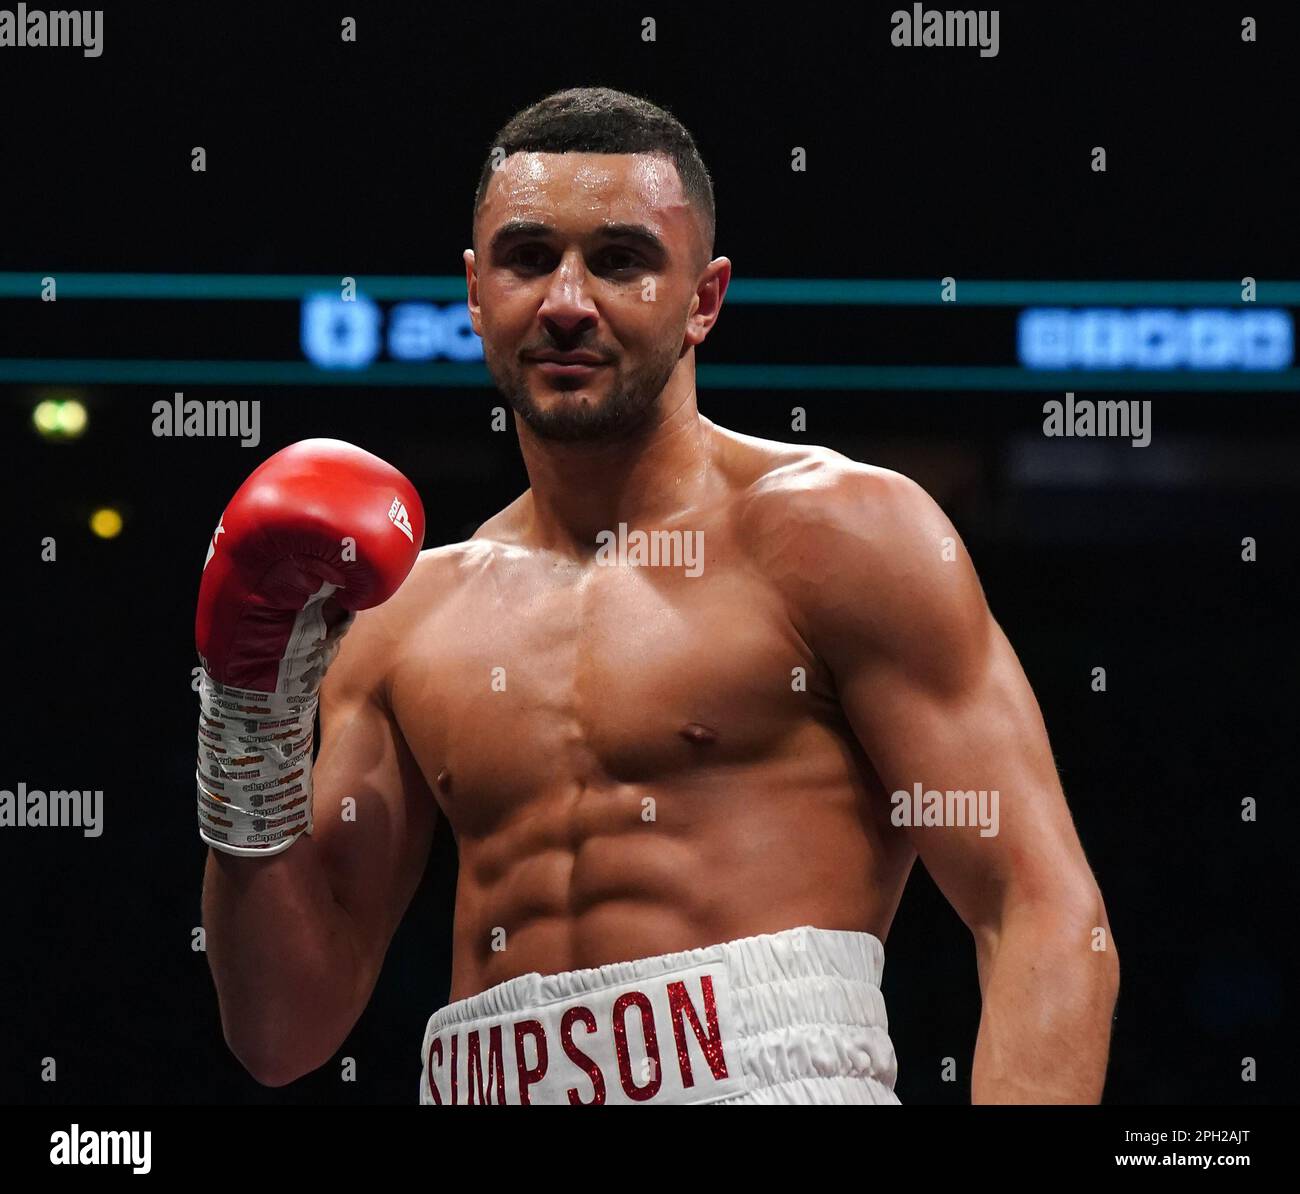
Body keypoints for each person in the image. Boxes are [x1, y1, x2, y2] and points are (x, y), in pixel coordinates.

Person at [199, 87, 1119, 1105]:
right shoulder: (407, 615)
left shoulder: (836, 534)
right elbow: (280, 1029)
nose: (564, 301)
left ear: (704, 297)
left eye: (621, 260)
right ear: (473, 290)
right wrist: (248, 719)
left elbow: (1039, 910)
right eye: (526, 257)